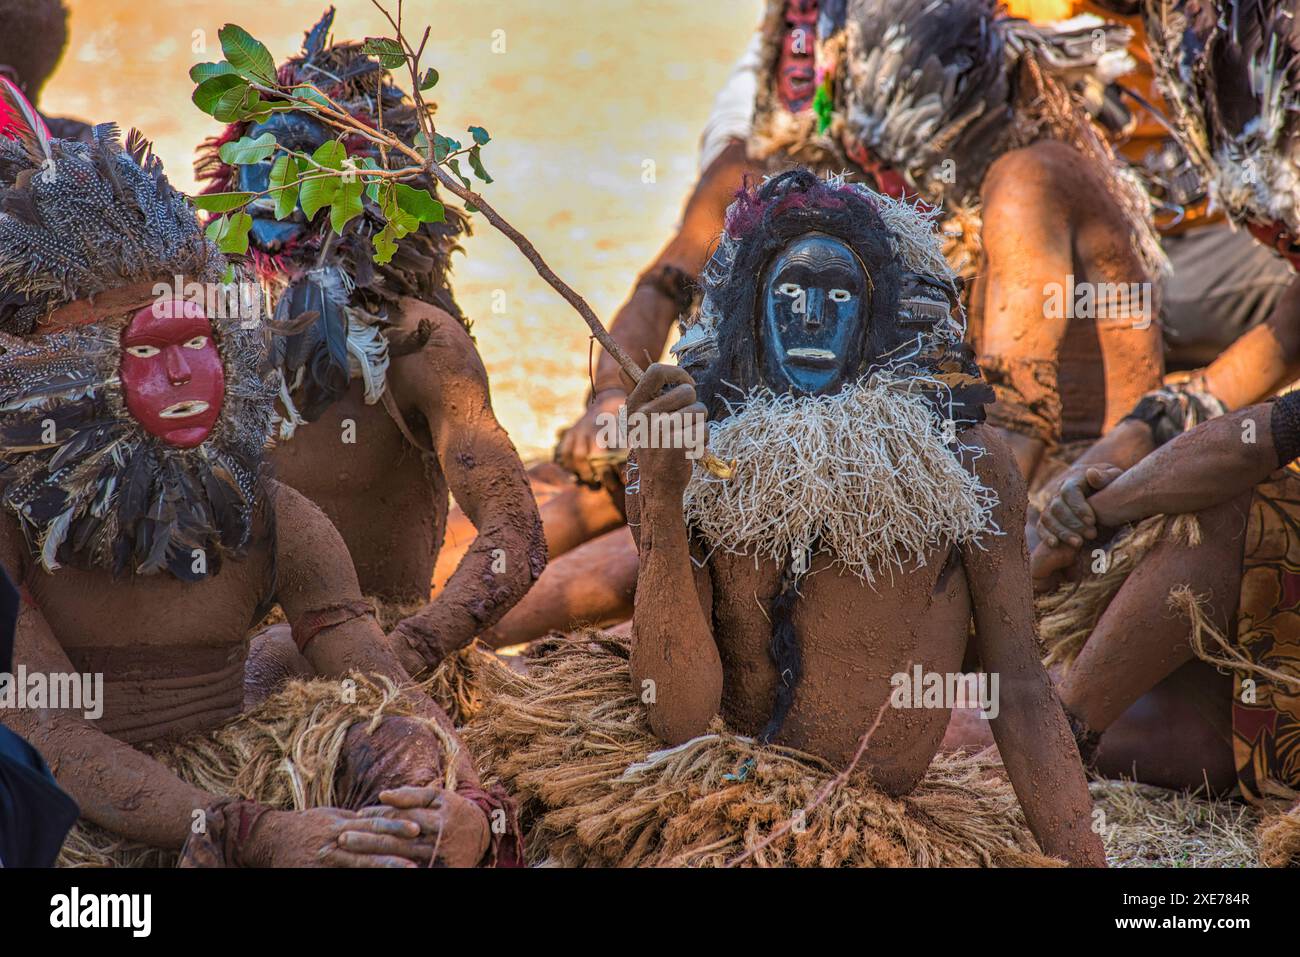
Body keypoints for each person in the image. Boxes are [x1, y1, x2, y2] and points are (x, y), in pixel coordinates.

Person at [0, 103, 516, 867]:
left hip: (230, 777)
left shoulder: (263, 512)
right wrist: (244, 830)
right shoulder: (12, 519)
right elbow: (48, 734)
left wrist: (471, 805)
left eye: (194, 340)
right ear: (46, 360)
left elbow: (384, 688)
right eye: (144, 347)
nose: (182, 374)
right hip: (69, 816)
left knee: (397, 752)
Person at [618, 171, 1103, 865]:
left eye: (837, 295)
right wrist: (662, 507)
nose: (812, 318)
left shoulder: (965, 464)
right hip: (721, 812)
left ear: (879, 317)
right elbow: (679, 718)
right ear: (753, 315)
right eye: (790, 294)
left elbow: (1020, 688)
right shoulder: (699, 456)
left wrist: (1088, 861)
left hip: (876, 832)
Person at [195, 8, 545, 674]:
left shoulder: (419, 344)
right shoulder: (193, 338)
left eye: (300, 160)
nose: (273, 185)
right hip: (218, 679)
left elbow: (515, 533)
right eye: (257, 159)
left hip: (370, 683)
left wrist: (409, 649)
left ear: (371, 183)